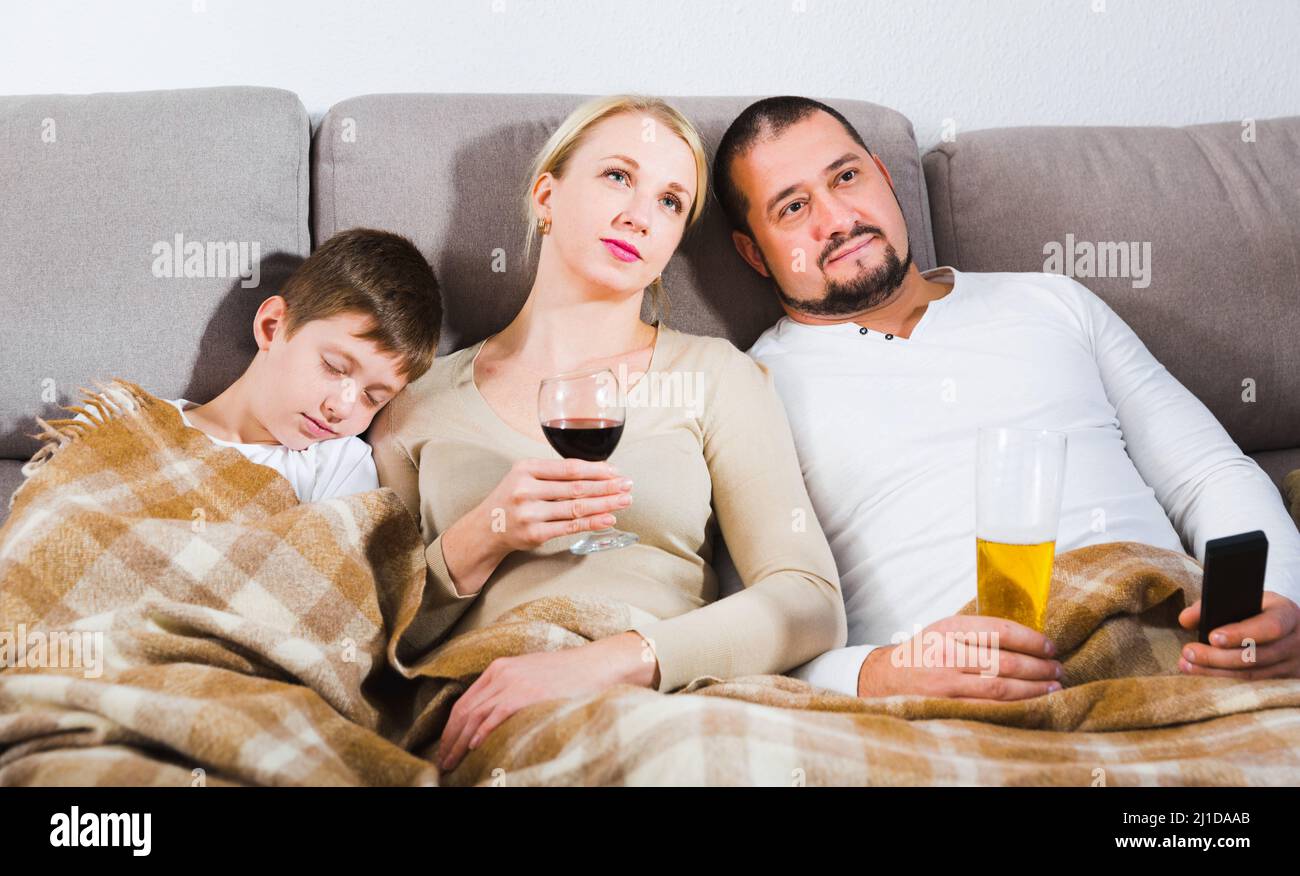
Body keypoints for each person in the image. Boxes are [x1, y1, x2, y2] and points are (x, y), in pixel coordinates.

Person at [711, 95, 1300, 700]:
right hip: (980, 696)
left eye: (846, 176)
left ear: (884, 177)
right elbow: (757, 627)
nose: (836, 220)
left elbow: (1209, 474)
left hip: (1179, 642)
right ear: (754, 251)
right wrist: (882, 673)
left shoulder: (1052, 303)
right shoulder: (747, 387)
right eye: (793, 206)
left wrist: (1275, 597)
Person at [369, 95, 846, 772]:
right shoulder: (415, 403)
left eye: (671, 201)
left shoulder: (714, 376)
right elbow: (382, 645)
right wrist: (486, 535)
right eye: (618, 176)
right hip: (491, 714)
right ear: (546, 196)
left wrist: (615, 663)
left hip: (667, 705)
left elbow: (809, 601)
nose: (639, 216)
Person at [77, 227, 442, 502]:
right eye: (333, 366)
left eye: (372, 397)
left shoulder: (336, 466)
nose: (341, 406)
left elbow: (342, 585)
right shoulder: (120, 422)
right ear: (272, 327)